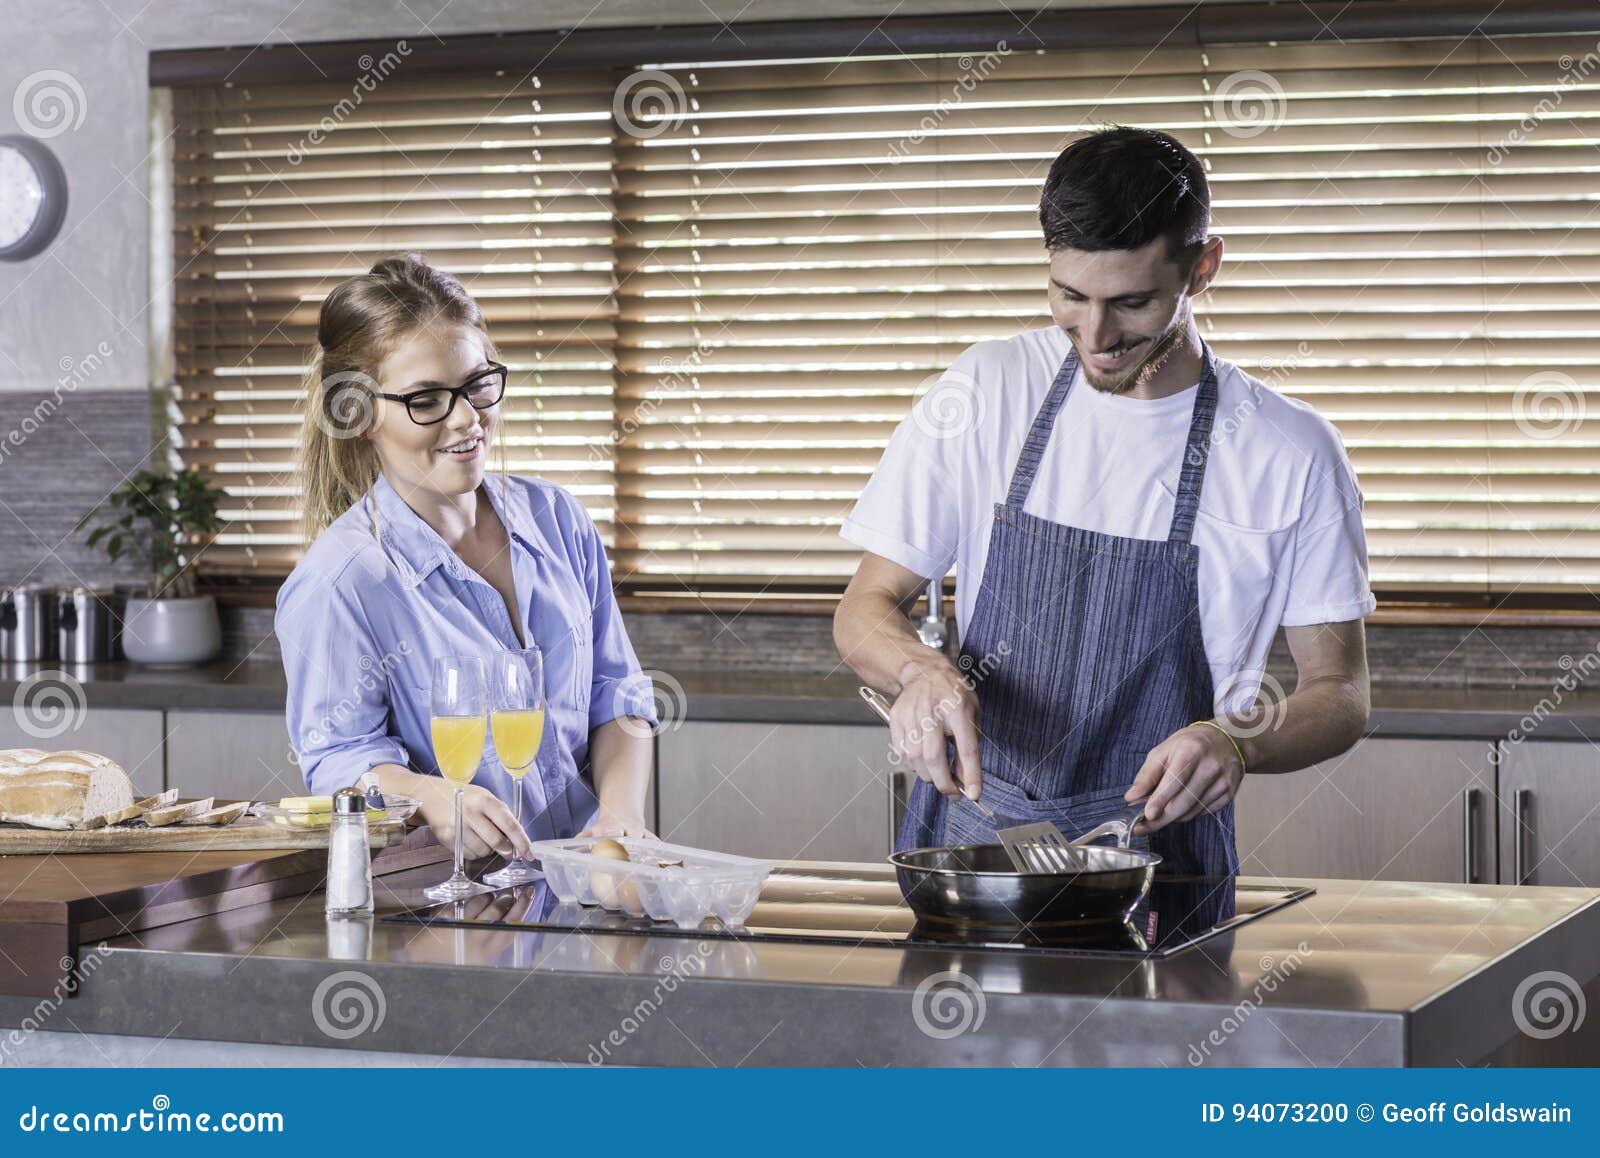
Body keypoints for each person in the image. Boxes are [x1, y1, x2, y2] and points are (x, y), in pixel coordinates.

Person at [833, 127, 1374, 875]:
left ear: (1203, 268)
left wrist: (1236, 743)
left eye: (1132, 302)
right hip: (973, 849)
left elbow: (1340, 691)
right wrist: (918, 673)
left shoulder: (1289, 451)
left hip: (1160, 863)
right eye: (1069, 295)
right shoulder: (987, 390)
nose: (1096, 335)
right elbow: (865, 607)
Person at [277, 254, 657, 861]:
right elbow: (338, 760)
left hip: (588, 887)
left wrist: (617, 824)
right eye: (426, 398)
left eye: (477, 384)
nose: (467, 418)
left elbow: (618, 691)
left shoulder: (558, 520)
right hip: (450, 904)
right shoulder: (341, 582)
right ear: (359, 412)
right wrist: (430, 796)